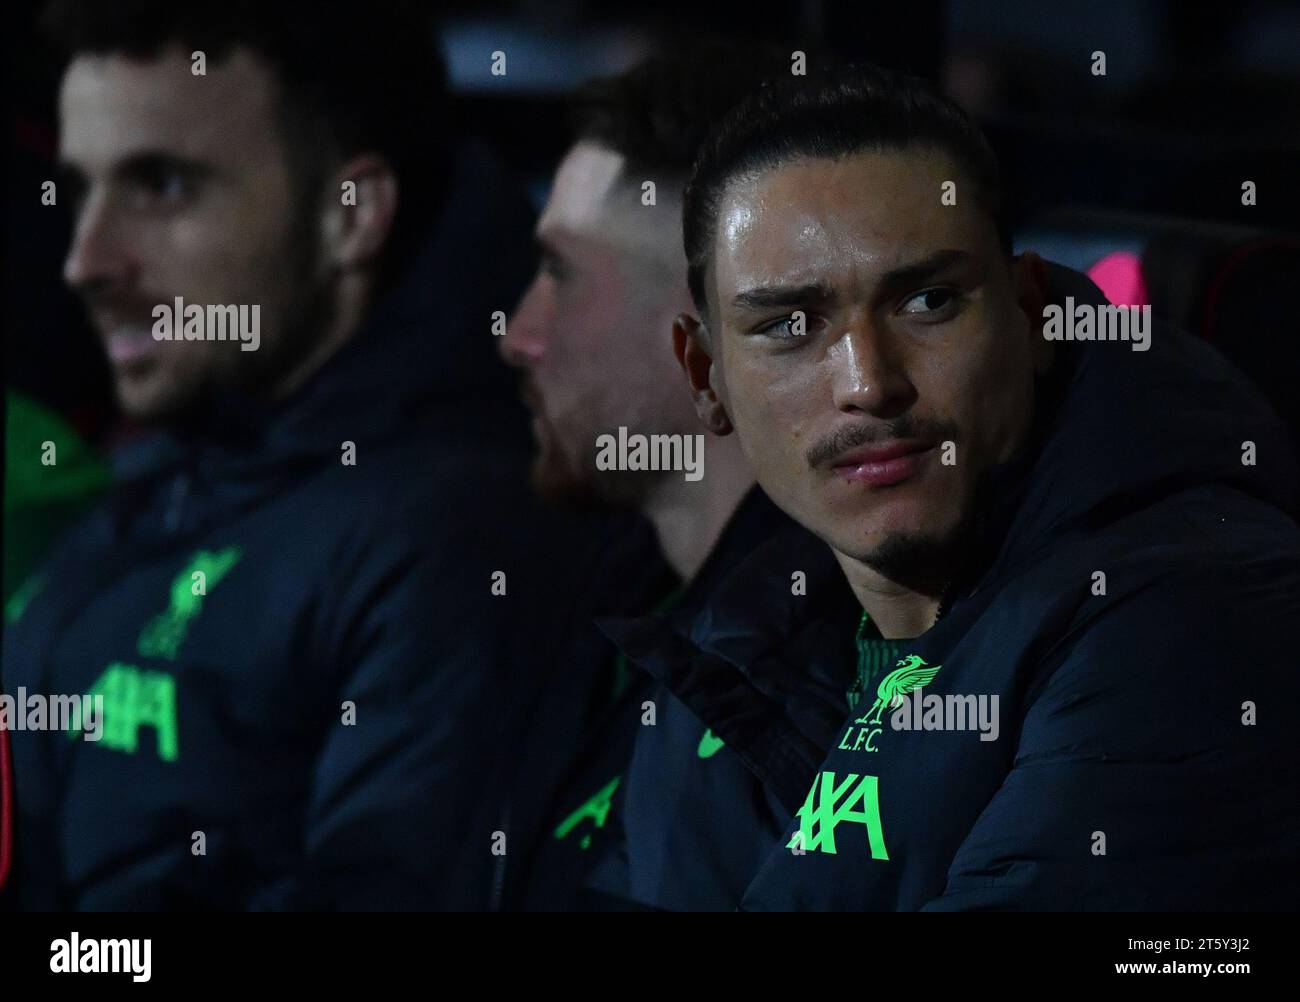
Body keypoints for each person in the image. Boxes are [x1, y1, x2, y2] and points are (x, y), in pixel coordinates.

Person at [609, 61, 1300, 909]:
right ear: (706, 375)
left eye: (928, 300)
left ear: (1034, 314)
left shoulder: (1198, 605)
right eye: (789, 325)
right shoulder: (729, 648)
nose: (868, 381)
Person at [4, 0, 606, 910]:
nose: (87, 260)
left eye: (161, 187)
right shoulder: (160, 478)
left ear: (350, 217)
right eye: (85, 190)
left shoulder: (465, 537)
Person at [496, 46, 795, 910]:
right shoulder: (606, 601)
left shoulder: (805, 696)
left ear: (701, 325)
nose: (518, 335)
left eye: (560, 272)